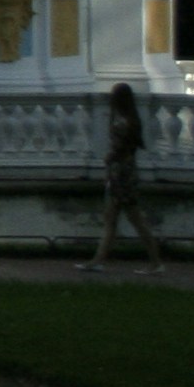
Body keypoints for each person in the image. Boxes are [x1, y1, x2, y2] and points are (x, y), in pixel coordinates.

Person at [79, 81, 164, 270]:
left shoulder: (121, 123)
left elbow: (116, 150)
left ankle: (155, 262)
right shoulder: (132, 120)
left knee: (127, 219)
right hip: (126, 173)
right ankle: (99, 260)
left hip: (119, 174)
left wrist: (107, 162)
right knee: (116, 219)